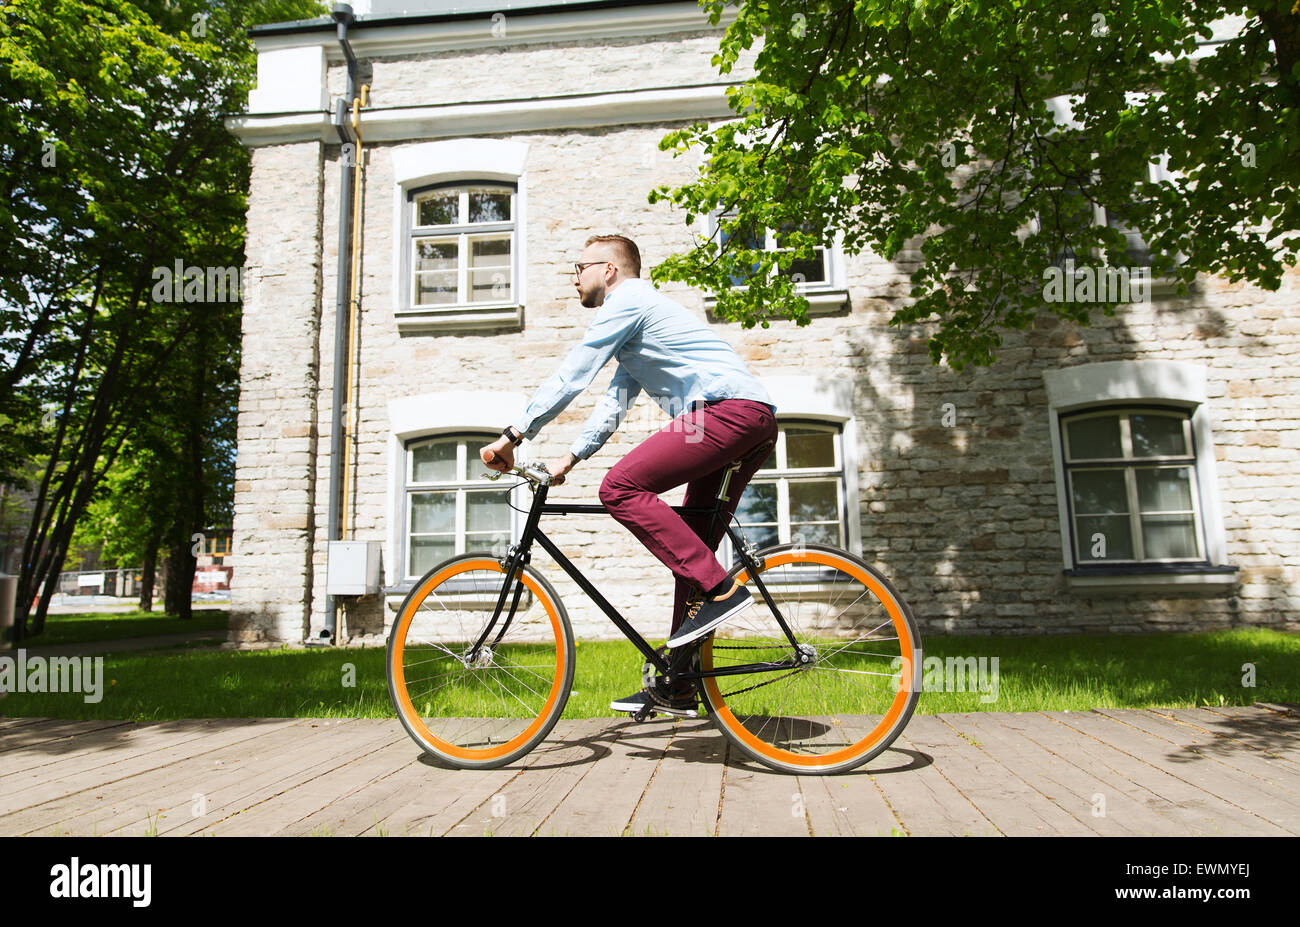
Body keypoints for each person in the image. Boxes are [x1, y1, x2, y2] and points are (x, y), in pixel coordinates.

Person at [480, 234, 777, 716]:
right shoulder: (640, 329)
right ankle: (680, 684)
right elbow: (613, 403)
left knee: (619, 489)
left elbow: (575, 372)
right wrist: (570, 459)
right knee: (693, 553)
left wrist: (513, 436)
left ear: (610, 270)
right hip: (751, 420)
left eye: (580, 266)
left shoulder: (630, 300)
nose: (575, 277)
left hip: (724, 414)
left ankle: (724, 590)